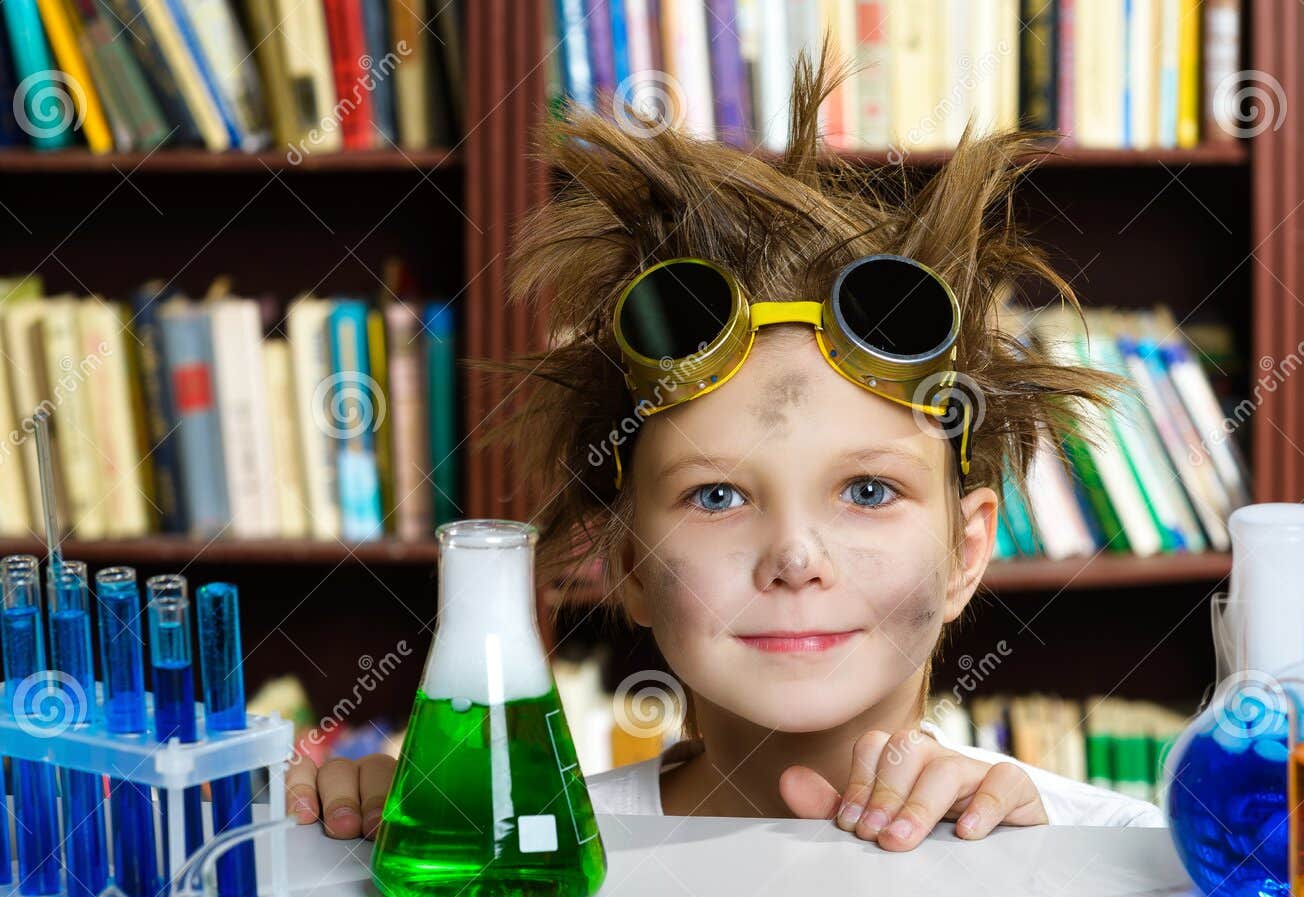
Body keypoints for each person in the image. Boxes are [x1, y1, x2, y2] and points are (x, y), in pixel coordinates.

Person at [286, 47, 1163, 851]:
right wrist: (355, 840)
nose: (794, 558)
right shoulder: (536, 849)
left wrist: (1040, 878)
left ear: (965, 551)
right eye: (717, 497)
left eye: (867, 490)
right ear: (628, 563)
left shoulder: (1112, 849)